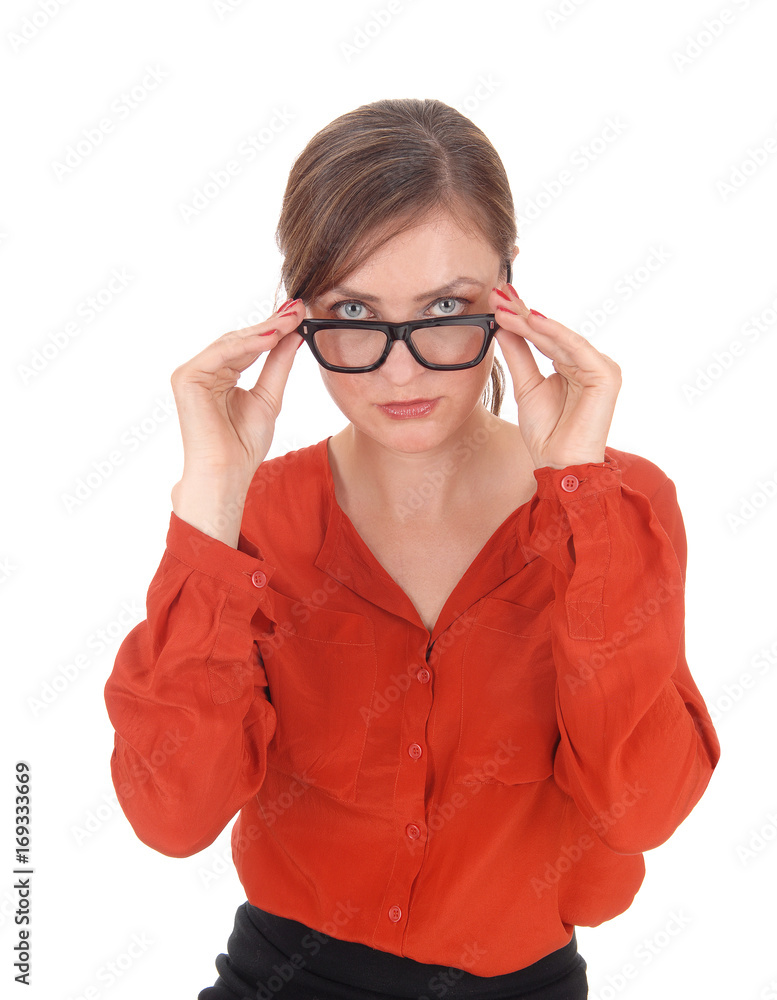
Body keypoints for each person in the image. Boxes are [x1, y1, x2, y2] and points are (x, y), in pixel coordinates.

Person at [103, 98, 721, 1000]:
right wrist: (210, 500)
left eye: (445, 306)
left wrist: (578, 488)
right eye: (352, 308)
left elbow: (641, 810)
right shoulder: (256, 521)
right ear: (295, 314)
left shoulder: (617, 509)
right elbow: (172, 816)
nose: (400, 370)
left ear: (509, 294)